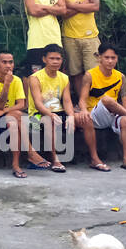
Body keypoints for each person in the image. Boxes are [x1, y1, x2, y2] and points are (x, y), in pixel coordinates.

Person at [74, 42, 126, 173]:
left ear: (117, 59)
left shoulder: (121, 77)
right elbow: (82, 100)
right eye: (106, 57)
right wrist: (84, 111)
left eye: (113, 58)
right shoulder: (90, 75)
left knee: (125, 121)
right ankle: (95, 159)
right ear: (99, 58)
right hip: (94, 115)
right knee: (107, 100)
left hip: (111, 115)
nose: (110, 61)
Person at [25, 44, 77, 172]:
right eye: (52, 58)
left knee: (84, 120)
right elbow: (38, 103)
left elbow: (67, 101)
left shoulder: (64, 78)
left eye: (58, 59)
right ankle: (55, 159)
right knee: (49, 122)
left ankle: (94, 158)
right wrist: (50, 115)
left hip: (59, 112)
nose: (55, 62)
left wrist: (71, 116)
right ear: (44, 59)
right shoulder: (35, 78)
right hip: (36, 116)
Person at [59, 0, 100, 93]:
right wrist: (83, 5)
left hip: (91, 37)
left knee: (93, 72)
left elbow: (95, 6)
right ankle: (81, 101)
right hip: (70, 37)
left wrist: (71, 5)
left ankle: (93, 102)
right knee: (75, 72)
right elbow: (63, 13)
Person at [23, 0, 66, 68]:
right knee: (35, 76)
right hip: (36, 40)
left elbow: (62, 10)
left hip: (54, 38)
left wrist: (42, 7)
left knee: (55, 75)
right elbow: (33, 11)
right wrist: (53, 8)